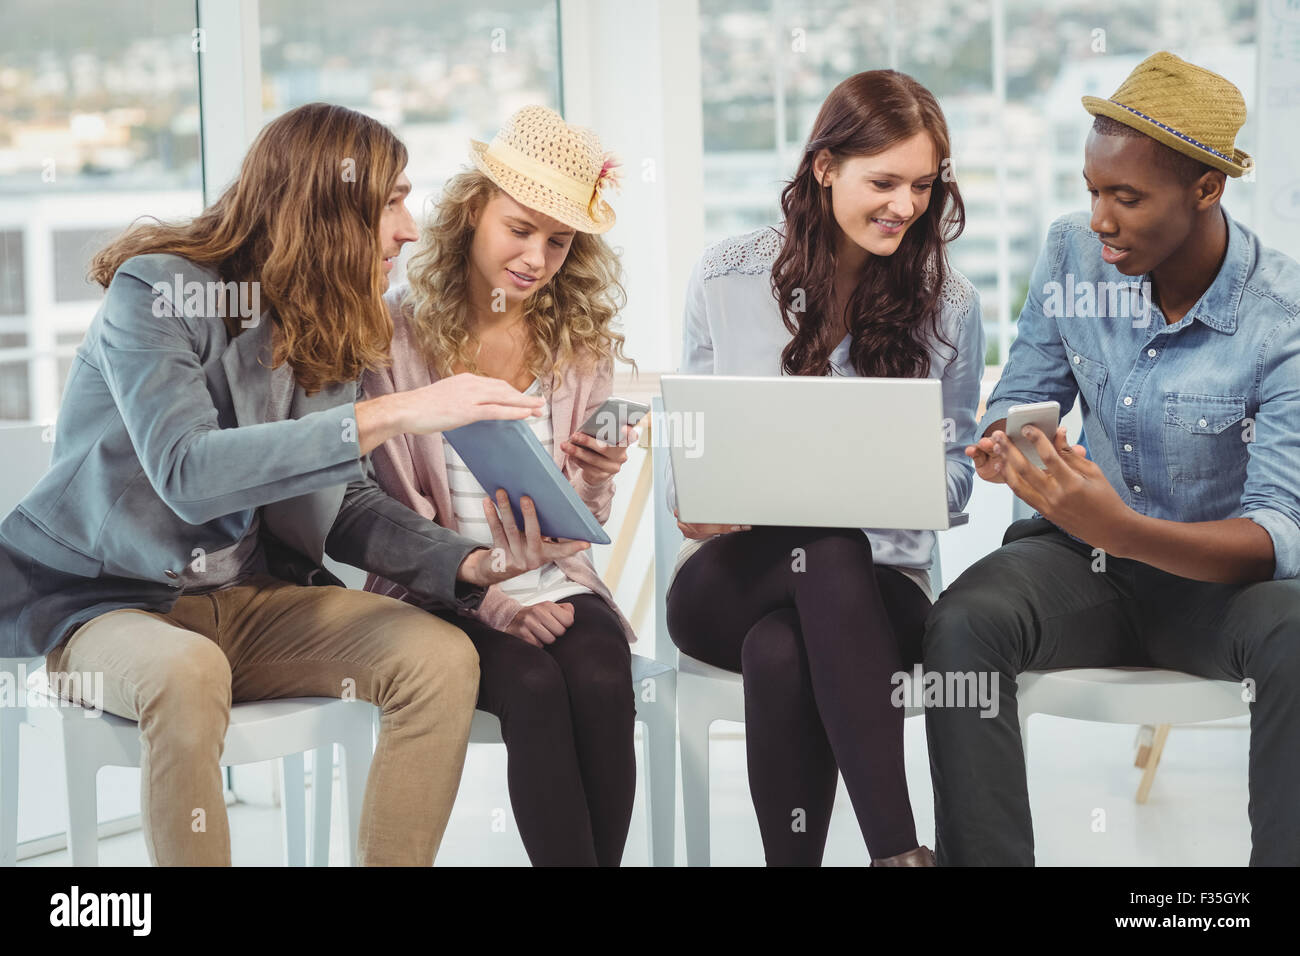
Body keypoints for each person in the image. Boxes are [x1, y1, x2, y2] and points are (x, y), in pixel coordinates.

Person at [0, 102, 589, 866]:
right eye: (390, 202)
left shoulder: (332, 313)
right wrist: (397, 412)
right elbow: (188, 470)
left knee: (439, 658)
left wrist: (469, 566)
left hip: (247, 598)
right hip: (102, 601)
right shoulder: (157, 293)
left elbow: (341, 504)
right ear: (323, 204)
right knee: (186, 671)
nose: (409, 228)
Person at [925, 51, 1300, 866]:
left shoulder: (1283, 321)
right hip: (1083, 566)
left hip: (1220, 590)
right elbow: (1027, 388)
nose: (1100, 219)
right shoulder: (1072, 253)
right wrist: (1007, 446)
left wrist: (1122, 528)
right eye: (1093, 190)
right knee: (961, 624)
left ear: (1207, 188)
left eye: (1126, 197)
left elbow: (1277, 534)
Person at [663, 71, 985, 866]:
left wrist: (877, 480)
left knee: (786, 641)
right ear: (824, 167)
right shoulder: (726, 276)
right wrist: (698, 500)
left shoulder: (950, 304)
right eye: (883, 182)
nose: (905, 207)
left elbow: (952, 483)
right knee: (825, 548)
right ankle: (901, 854)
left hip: (884, 594)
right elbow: (689, 455)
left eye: (921, 184)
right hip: (730, 578)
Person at [361, 105, 640, 867]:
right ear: (473, 209)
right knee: (534, 687)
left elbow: (575, 526)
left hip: (557, 579)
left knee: (602, 672)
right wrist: (490, 597)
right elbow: (389, 513)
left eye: (558, 241)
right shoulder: (395, 340)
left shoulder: (578, 344)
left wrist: (593, 474)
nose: (537, 257)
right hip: (441, 592)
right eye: (520, 228)